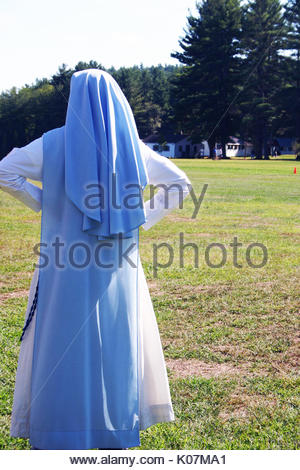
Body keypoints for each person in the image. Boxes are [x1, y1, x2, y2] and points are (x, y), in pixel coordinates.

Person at [0, 69, 191, 450]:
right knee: (116, 338)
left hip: (62, 263)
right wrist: (141, 218)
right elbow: (180, 185)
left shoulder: (52, 143)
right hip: (118, 264)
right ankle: (114, 426)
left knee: (60, 341)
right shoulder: (132, 147)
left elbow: (5, 171)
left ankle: (60, 428)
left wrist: (46, 203)